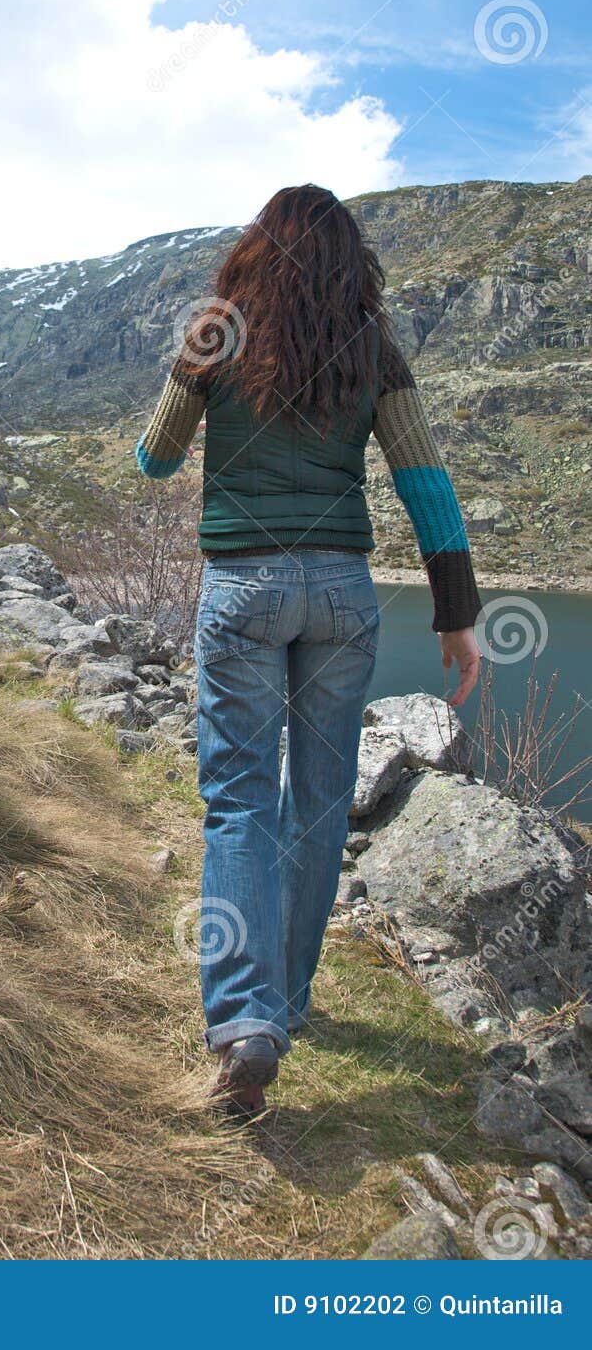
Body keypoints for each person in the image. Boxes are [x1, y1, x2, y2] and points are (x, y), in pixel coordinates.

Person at [135, 184, 482, 1119]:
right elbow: (426, 484)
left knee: (238, 800)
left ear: (255, 251)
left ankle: (246, 1020)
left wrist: (189, 370)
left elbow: (156, 458)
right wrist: (456, 614)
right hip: (340, 594)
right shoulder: (372, 347)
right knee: (319, 800)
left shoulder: (216, 332)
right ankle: (288, 999)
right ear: (348, 261)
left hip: (242, 588)